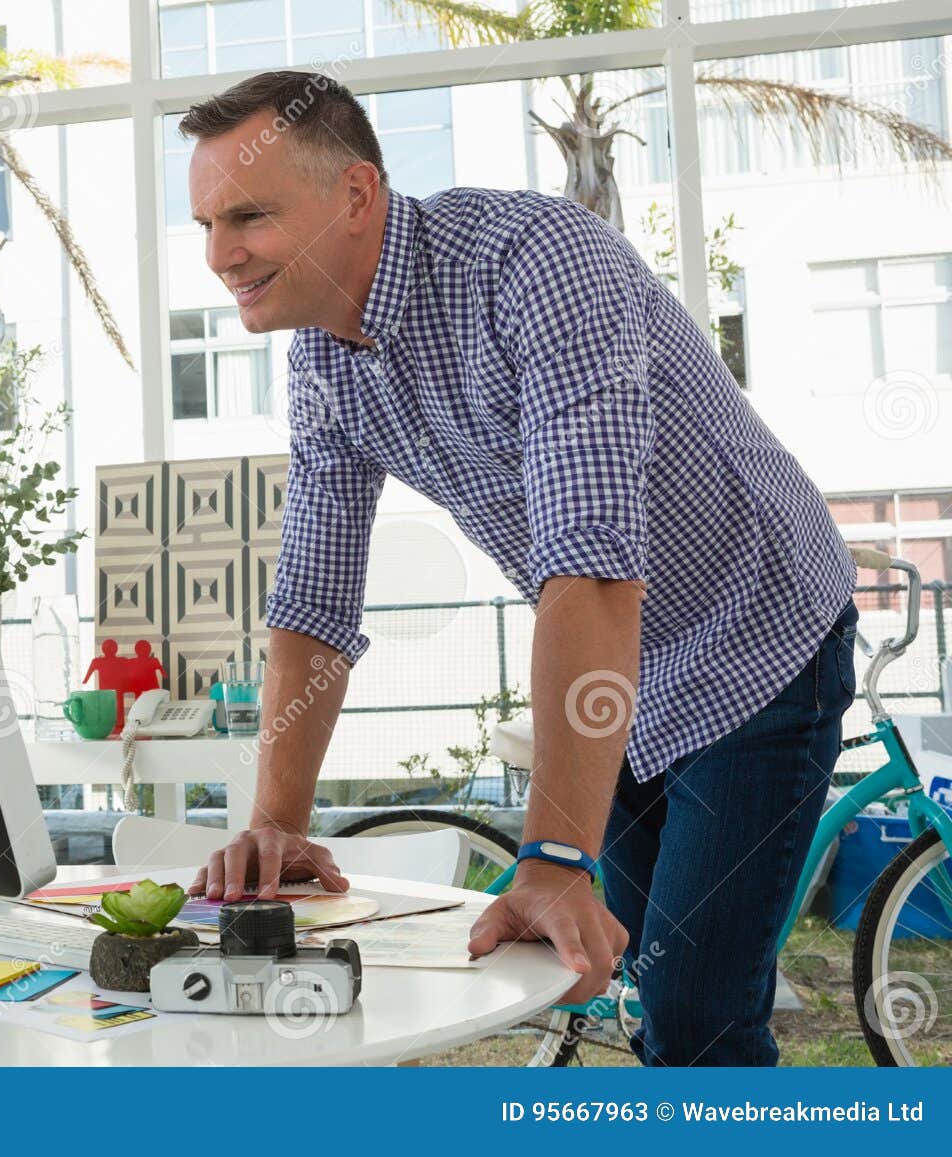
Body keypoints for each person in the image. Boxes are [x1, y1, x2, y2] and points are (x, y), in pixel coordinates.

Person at [177, 70, 857, 1066]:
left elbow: (587, 564)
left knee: (694, 1004)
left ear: (356, 196)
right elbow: (312, 603)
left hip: (755, 635)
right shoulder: (322, 357)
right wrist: (275, 826)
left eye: (248, 216)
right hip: (625, 676)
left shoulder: (535, 261)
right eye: (204, 223)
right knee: (614, 970)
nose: (219, 255)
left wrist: (549, 852)